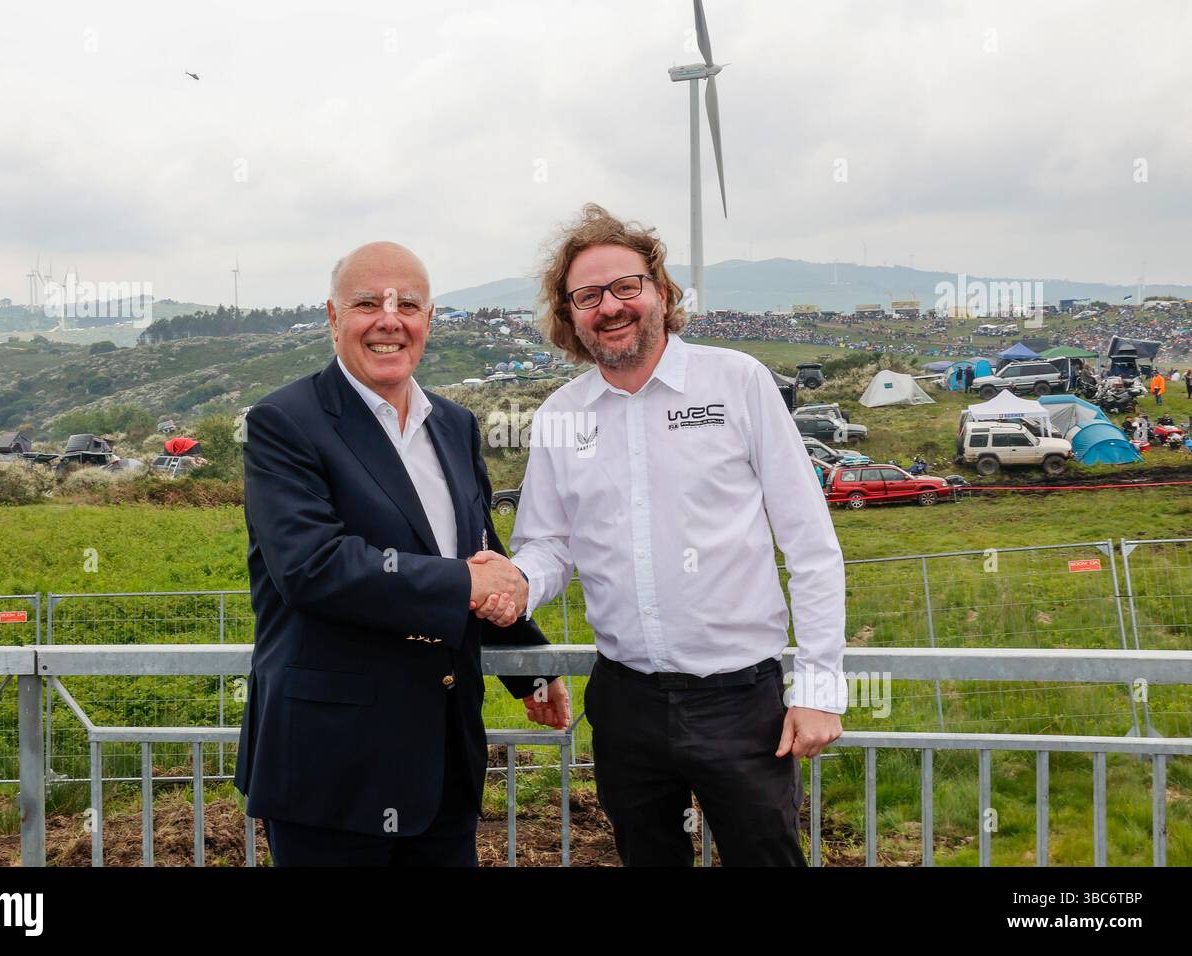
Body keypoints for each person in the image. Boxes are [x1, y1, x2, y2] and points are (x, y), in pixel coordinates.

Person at [508, 204, 846, 866]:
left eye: (626, 286)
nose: (610, 306)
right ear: (569, 314)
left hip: (741, 703)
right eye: (587, 295)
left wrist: (820, 690)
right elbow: (548, 548)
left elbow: (809, 545)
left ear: (660, 291)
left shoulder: (737, 383)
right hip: (625, 701)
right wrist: (511, 585)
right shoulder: (559, 417)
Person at [234, 241, 569, 867]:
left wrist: (530, 666)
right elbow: (313, 567)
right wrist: (464, 584)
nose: (390, 321)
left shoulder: (454, 424)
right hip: (331, 771)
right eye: (368, 304)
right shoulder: (283, 422)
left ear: (429, 319)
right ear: (333, 317)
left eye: (407, 305)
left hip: (443, 762)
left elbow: (478, 556)